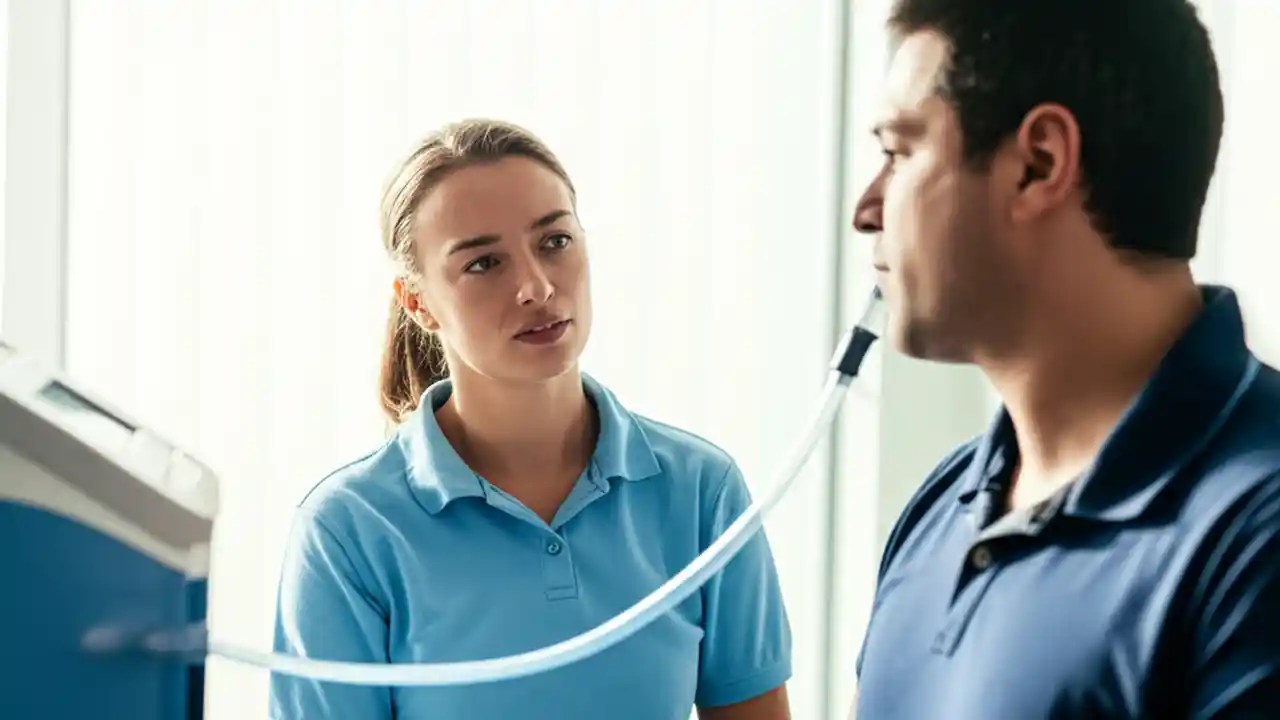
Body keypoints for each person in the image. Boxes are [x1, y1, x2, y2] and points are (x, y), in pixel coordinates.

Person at [268, 119, 792, 719]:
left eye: (555, 242)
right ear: (418, 302)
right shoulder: (348, 531)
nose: (537, 287)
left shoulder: (702, 492)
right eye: (484, 263)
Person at [851, 0, 1280, 717]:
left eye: (900, 152)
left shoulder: (1257, 531)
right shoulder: (941, 505)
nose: (867, 210)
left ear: (1039, 162)